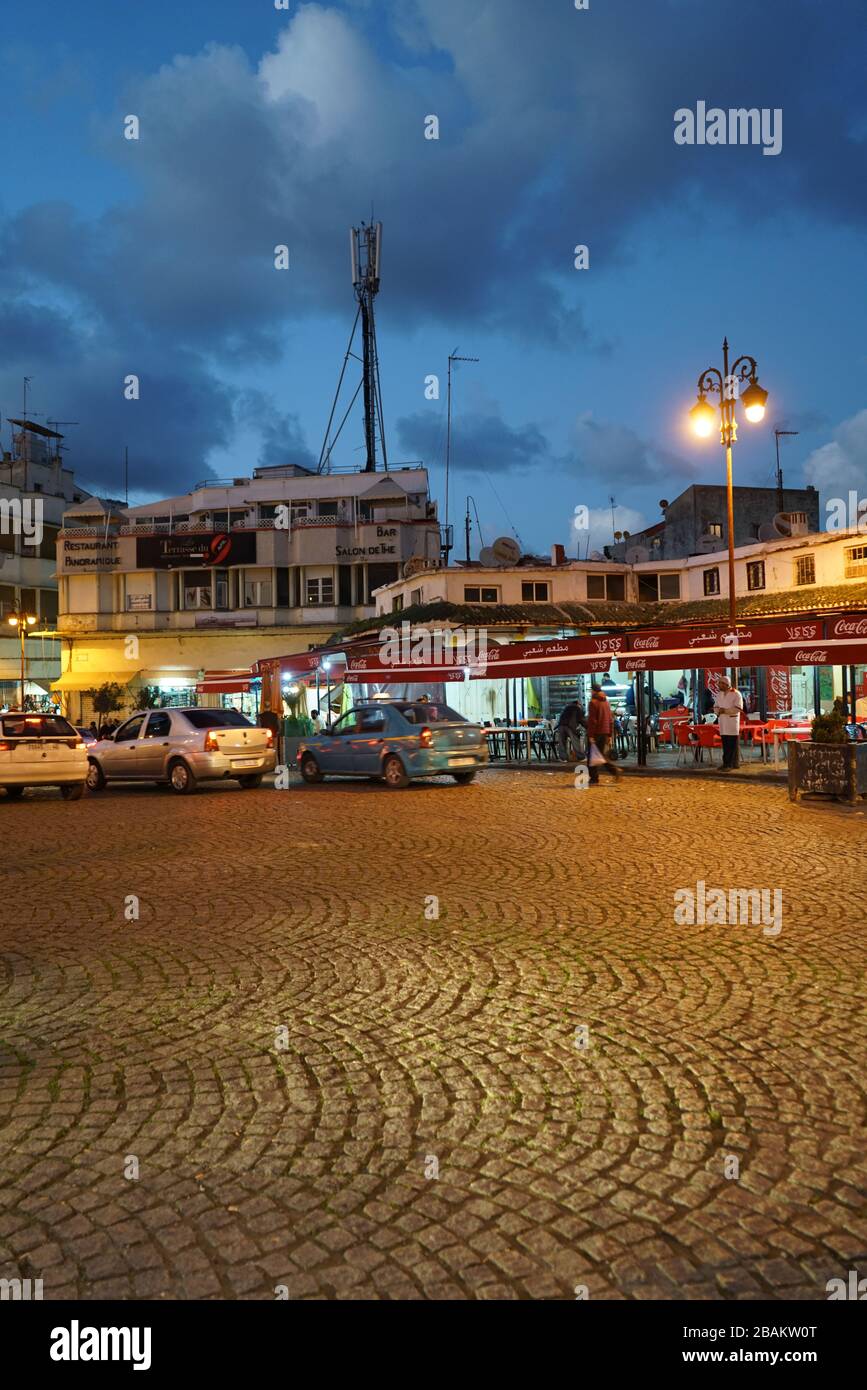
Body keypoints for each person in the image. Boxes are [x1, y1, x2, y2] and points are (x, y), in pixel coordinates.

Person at [586, 682, 622, 784]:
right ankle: (613, 771)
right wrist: (610, 734)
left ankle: (595, 778)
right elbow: (610, 719)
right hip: (605, 731)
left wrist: (591, 735)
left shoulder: (593, 702)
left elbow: (592, 721)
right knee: (599, 755)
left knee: (592, 756)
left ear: (593, 691)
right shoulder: (606, 702)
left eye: (591, 690)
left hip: (597, 732)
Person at [713, 676, 744, 770]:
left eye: (720, 684)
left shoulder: (736, 694)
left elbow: (738, 708)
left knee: (731, 745)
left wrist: (725, 711)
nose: (718, 685)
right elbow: (715, 707)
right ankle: (725, 763)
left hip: (732, 723)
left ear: (726, 684)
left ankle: (729, 764)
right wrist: (718, 711)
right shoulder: (719, 695)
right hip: (722, 722)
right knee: (725, 744)